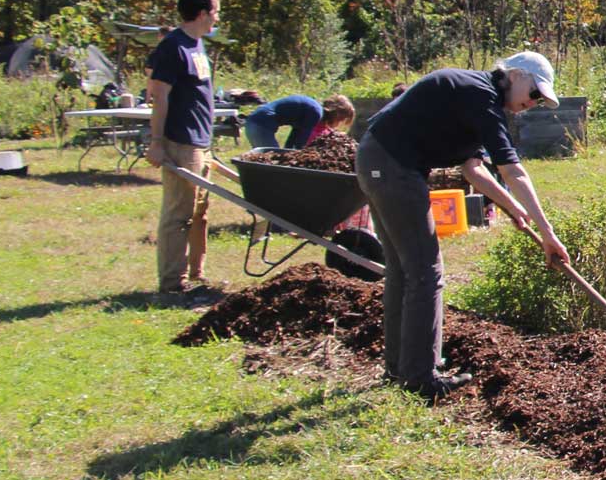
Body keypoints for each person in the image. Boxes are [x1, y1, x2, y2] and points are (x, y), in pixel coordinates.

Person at [356, 51, 570, 395]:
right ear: (514, 75)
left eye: (540, 100)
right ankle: (421, 378)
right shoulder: (479, 94)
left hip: (378, 161)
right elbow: (511, 170)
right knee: (426, 272)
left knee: (403, 269)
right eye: (534, 93)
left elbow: (473, 168)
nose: (533, 103)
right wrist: (548, 234)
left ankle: (400, 369)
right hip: (393, 168)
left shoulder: (474, 97)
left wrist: (514, 208)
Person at [145, 0, 221, 301]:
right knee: (179, 215)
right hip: (181, 141)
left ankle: (196, 274)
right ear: (202, 13)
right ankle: (171, 285)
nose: (217, 18)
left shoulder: (196, 45)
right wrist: (157, 142)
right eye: (215, 12)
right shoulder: (173, 47)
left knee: (200, 213)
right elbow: (158, 95)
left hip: (201, 142)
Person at [243, 93, 354, 150]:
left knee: (269, 162)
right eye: (341, 120)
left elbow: (294, 137)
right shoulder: (315, 113)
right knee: (272, 163)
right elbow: (301, 142)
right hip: (260, 124)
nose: (338, 124)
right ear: (337, 114)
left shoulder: (312, 110)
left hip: (254, 122)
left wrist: (287, 152)